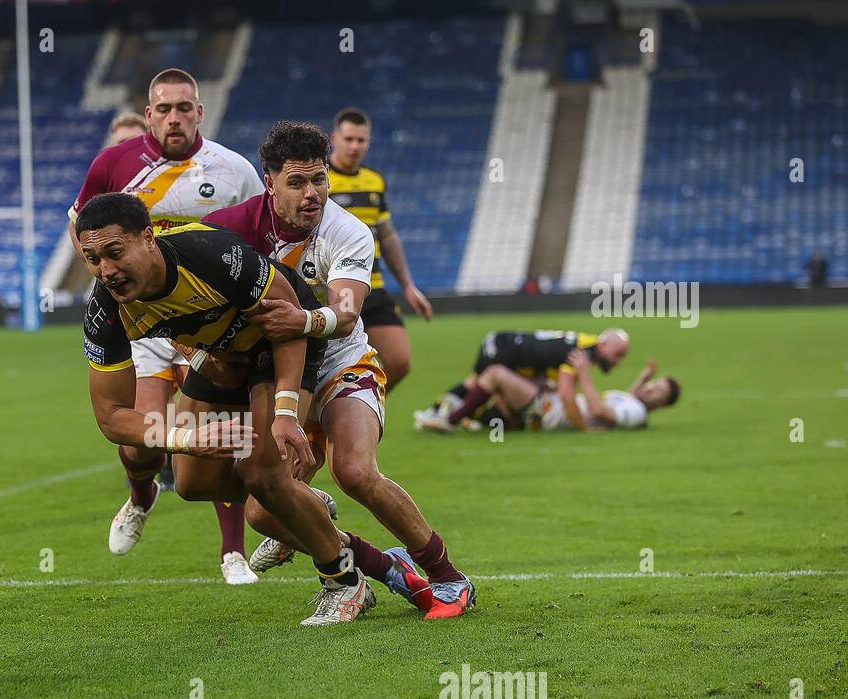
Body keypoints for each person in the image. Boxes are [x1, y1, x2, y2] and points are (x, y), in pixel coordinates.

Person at [78, 192, 414, 625]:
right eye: (92, 258)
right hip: (222, 358)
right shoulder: (104, 313)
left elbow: (288, 319)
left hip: (281, 340)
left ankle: (344, 583)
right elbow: (111, 416)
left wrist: (287, 411)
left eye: (114, 252)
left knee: (262, 472)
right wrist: (187, 438)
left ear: (148, 238)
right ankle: (303, 501)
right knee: (192, 483)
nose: (105, 270)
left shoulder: (212, 254)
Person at [202, 120, 474, 618]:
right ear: (269, 181)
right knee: (264, 508)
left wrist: (301, 319)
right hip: (281, 377)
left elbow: (346, 311)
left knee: (354, 470)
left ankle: (447, 575)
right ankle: (383, 568)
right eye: (297, 182)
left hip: (341, 362)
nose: (313, 194)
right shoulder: (233, 228)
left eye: (320, 180)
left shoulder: (347, 230)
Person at [68, 69, 264, 583]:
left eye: (184, 107)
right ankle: (141, 496)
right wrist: (106, 283)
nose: (174, 117)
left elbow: (256, 242)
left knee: (221, 431)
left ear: (200, 111)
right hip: (146, 325)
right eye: (163, 109)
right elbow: (80, 227)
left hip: (209, 321)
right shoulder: (113, 165)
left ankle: (232, 551)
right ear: (149, 114)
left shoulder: (234, 169)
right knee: (143, 442)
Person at [328, 108, 434, 391]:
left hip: (373, 287)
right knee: (331, 368)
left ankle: (363, 413)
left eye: (361, 140)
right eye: (349, 139)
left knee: (399, 363)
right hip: (337, 290)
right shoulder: (319, 180)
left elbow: (386, 235)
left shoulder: (375, 181)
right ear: (334, 139)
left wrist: (408, 286)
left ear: (369, 141)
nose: (354, 146)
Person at [416, 328, 631, 433]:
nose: (618, 362)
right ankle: (449, 417)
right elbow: (566, 394)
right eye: (617, 354)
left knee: (479, 383)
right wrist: (584, 428)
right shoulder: (583, 352)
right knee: (485, 380)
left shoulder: (583, 341)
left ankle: (442, 413)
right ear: (603, 345)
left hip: (508, 344)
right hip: (507, 348)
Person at [467, 351, 679, 432]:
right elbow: (627, 398)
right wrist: (644, 378)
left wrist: (584, 373)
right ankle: (475, 420)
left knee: (496, 374)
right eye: (655, 384)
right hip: (555, 406)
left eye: (658, 392)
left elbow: (599, 412)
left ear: (661, 405)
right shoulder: (633, 403)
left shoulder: (636, 413)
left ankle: (453, 415)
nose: (651, 389)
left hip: (554, 411)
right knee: (495, 384)